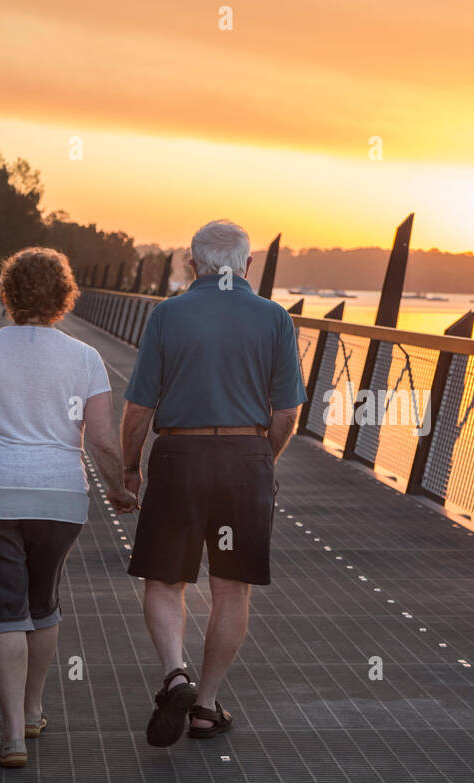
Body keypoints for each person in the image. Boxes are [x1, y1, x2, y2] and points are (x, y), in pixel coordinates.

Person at [0, 247, 137, 768]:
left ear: (7, 294)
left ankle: (12, 740)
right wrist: (119, 489)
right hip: (58, 497)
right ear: (65, 298)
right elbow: (101, 442)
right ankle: (32, 709)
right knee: (42, 600)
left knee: (4, 611)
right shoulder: (85, 358)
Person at [120, 219, 306, 746]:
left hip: (179, 455)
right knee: (231, 587)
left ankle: (175, 675)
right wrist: (259, 458)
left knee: (163, 578)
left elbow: (139, 406)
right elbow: (288, 411)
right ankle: (204, 706)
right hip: (245, 458)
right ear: (247, 266)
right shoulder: (274, 318)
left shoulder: (167, 315)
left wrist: (130, 468)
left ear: (192, 264)